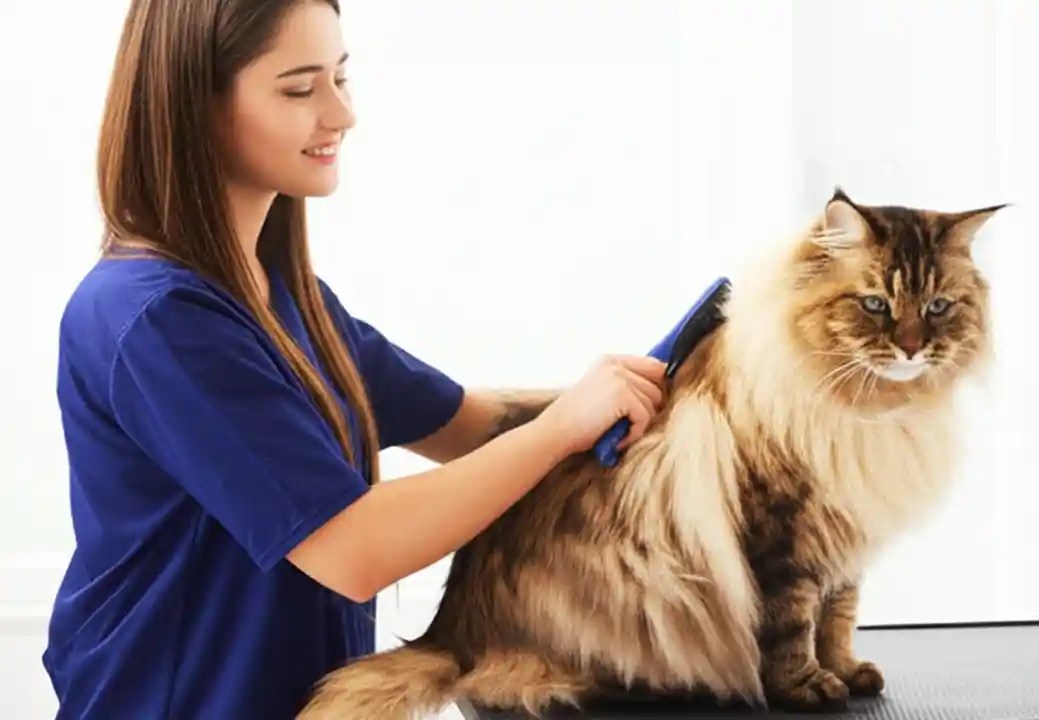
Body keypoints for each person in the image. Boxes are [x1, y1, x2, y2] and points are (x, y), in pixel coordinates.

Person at [42, 1, 668, 718]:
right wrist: (562, 426)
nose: (341, 114)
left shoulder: (286, 300)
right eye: (300, 88)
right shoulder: (155, 319)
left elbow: (470, 422)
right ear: (194, 104)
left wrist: (671, 400)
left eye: (341, 77)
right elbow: (353, 547)